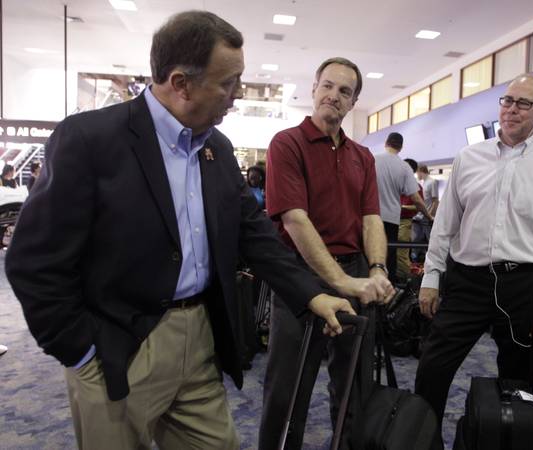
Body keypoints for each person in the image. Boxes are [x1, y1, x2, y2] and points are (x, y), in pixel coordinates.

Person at [4, 11, 355, 450]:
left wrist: (312, 293)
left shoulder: (217, 147)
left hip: (201, 341)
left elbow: (254, 234)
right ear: (181, 83)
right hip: (120, 348)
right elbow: (33, 261)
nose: (237, 95)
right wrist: (81, 352)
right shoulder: (91, 139)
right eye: (228, 83)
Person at [415, 73, 533, 439]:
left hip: (525, 285)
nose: (511, 110)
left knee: (518, 381)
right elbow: (445, 225)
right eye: (507, 101)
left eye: (523, 103)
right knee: (432, 368)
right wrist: (431, 277)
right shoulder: (468, 157)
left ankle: (511, 443)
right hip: (467, 281)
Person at [259, 57, 394, 450]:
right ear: (314, 89)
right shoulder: (287, 143)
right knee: (289, 386)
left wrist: (378, 268)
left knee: (355, 384)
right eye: (328, 86)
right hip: (301, 277)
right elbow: (295, 220)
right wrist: (341, 281)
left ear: (353, 103)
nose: (334, 96)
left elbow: (371, 218)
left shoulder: (362, 156)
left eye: (345, 92)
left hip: (354, 271)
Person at [374, 132, 431, 282]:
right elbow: (417, 200)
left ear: (386, 143)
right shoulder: (404, 167)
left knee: (371, 253)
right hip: (392, 219)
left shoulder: (371, 159)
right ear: (401, 147)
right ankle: (389, 291)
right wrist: (429, 216)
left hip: (371, 217)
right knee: (391, 255)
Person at [396, 158, 423, 280]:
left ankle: (405, 280)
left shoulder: (415, 186)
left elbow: (418, 205)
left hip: (404, 222)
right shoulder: (396, 182)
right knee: (389, 251)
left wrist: (402, 206)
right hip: (390, 221)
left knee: (401, 253)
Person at [412, 165, 438, 262]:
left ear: (420, 171)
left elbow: (435, 201)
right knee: (416, 239)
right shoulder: (424, 183)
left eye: (417, 172)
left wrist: (429, 215)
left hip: (427, 217)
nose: (417, 174)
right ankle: (416, 260)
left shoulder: (432, 182)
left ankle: (433, 261)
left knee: (430, 240)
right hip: (420, 217)